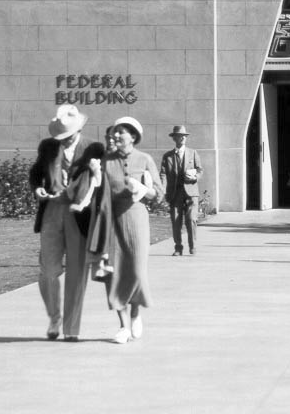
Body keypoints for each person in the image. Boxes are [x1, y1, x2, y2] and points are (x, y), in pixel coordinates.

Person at [28, 104, 96, 342]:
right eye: (61, 137)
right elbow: (36, 173)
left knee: (76, 272)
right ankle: (54, 317)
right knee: (49, 270)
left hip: (79, 214)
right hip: (52, 212)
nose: (65, 141)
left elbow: (100, 181)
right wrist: (37, 188)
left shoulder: (92, 149)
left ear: (78, 130)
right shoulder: (47, 147)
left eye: (69, 137)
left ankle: (71, 327)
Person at [103, 116, 161, 343]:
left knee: (137, 270)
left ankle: (136, 313)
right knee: (113, 272)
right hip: (110, 219)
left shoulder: (144, 159)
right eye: (115, 132)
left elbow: (158, 194)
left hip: (136, 217)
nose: (116, 136)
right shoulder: (105, 160)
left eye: (121, 132)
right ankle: (123, 325)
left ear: (133, 137)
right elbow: (97, 192)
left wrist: (143, 189)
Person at [68, 141, 113, 280]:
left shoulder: (81, 171)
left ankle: (100, 264)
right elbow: (94, 185)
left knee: (93, 236)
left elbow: (73, 189)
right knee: (98, 235)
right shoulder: (90, 171)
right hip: (92, 209)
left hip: (84, 209)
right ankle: (101, 264)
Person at [160, 124, 204, 257]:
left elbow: (200, 170)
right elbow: (163, 174)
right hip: (175, 193)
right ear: (175, 139)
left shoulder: (193, 153)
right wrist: (162, 188)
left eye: (184, 136)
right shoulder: (167, 156)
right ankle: (178, 247)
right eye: (180, 136)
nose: (183, 138)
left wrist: (195, 176)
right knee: (176, 220)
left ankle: (193, 246)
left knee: (191, 219)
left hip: (191, 192)